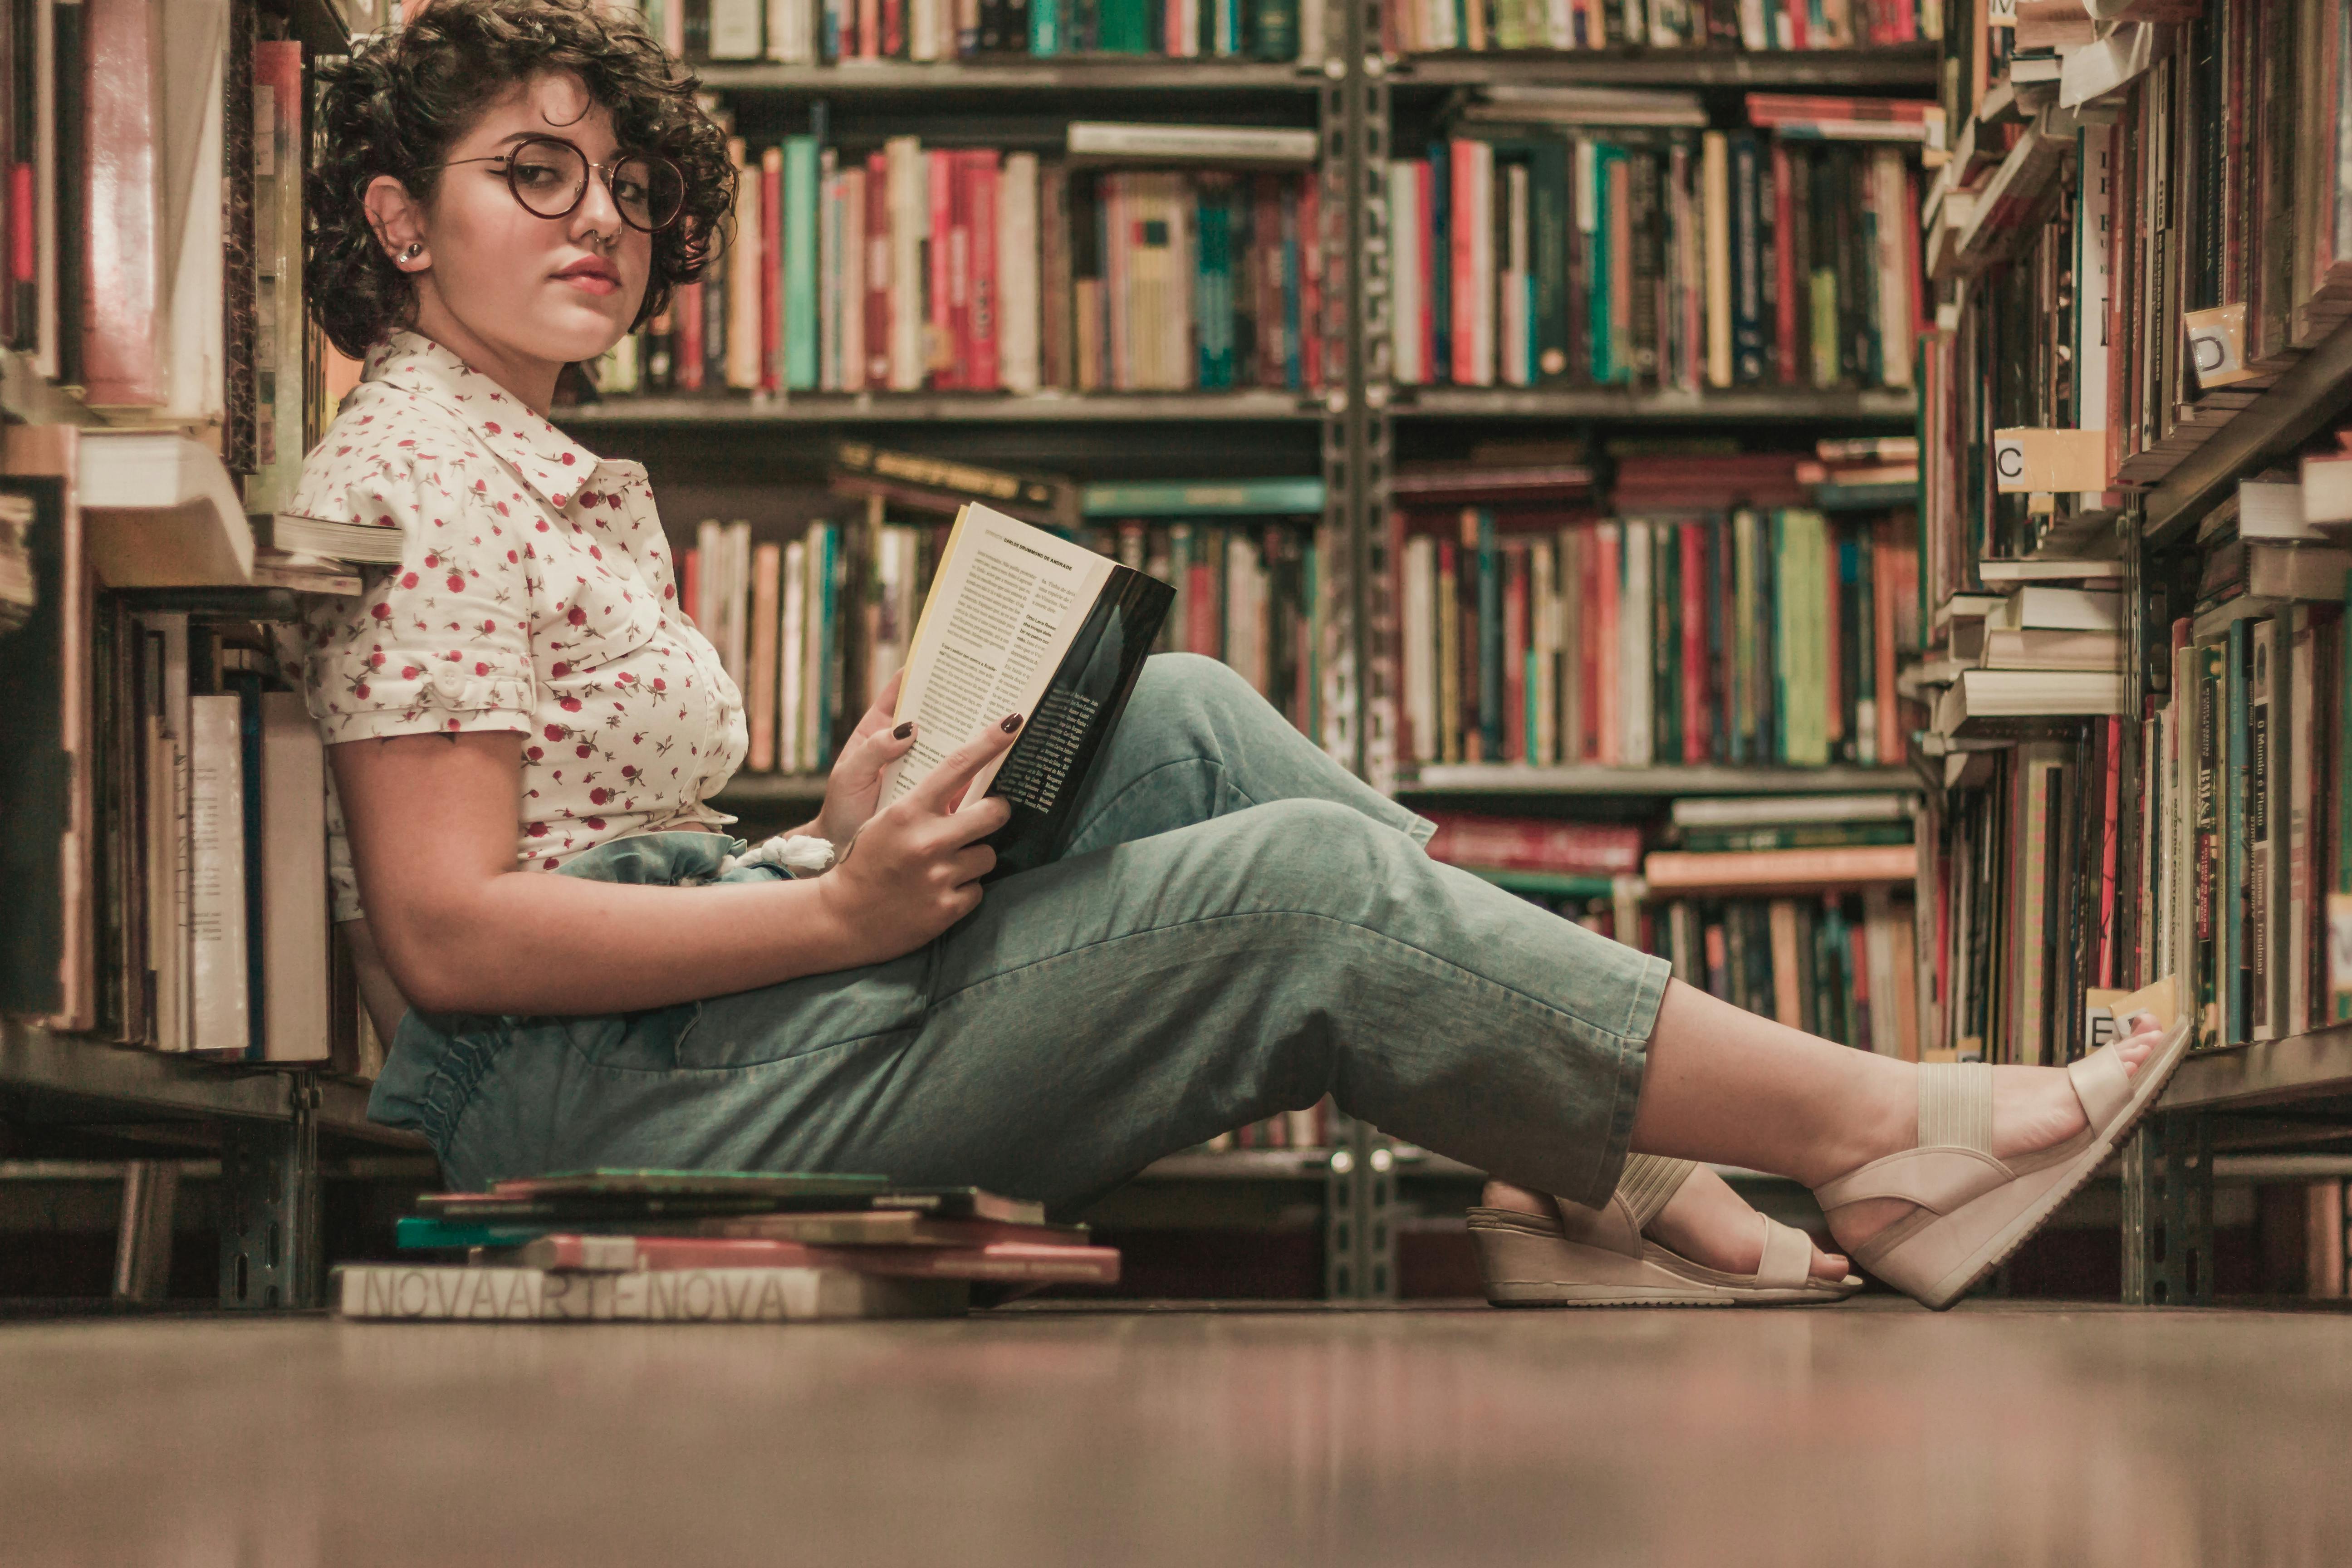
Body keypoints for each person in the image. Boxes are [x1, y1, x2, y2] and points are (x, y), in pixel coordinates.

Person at [295, 0, 2184, 1312]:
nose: (605, 217)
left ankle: (1604, 1168)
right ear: (398, 217)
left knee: (1173, 717)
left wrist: (827, 831)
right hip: (589, 1104)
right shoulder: (418, 468)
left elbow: (585, 834)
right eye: (534, 174)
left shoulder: (524, 461)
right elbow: (453, 935)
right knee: (1303, 897)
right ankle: (1865, 1135)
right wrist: (836, 911)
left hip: (685, 1022)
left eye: (626, 182)